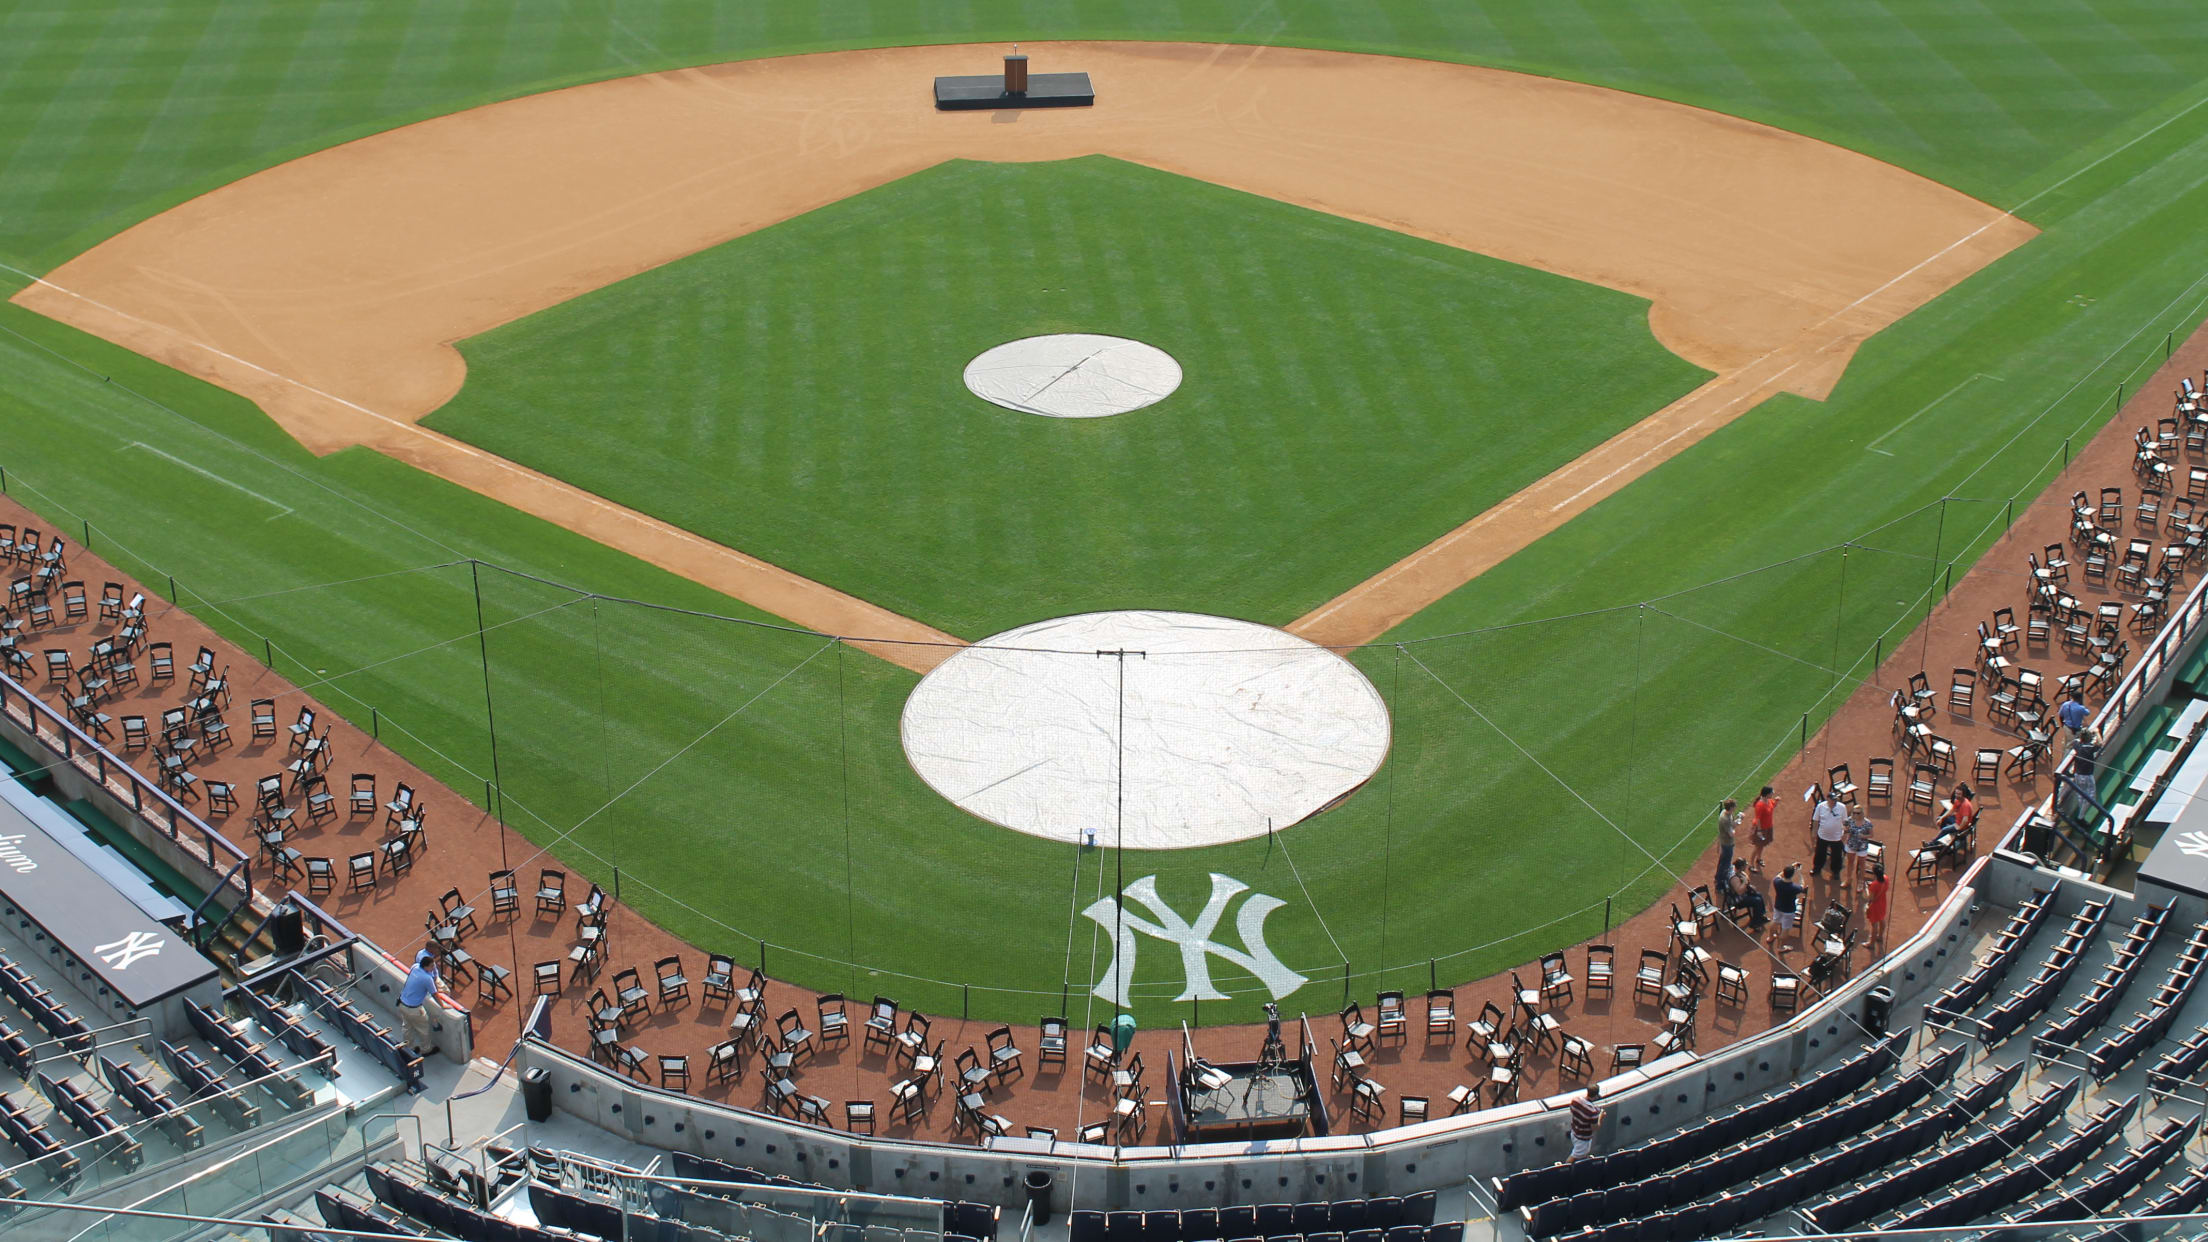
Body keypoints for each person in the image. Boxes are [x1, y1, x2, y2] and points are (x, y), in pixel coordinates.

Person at [398, 947, 440, 1055]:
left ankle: (408, 1048)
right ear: (426, 966)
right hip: (414, 1009)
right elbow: (435, 994)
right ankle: (426, 1049)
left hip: (402, 1004)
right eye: (431, 966)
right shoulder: (427, 978)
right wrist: (443, 1005)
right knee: (423, 1029)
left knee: (407, 1027)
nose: (433, 967)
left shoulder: (415, 967)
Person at [1811, 790, 1849, 882]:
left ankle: (1836, 871)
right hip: (1822, 836)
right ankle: (1817, 868)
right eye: (1832, 800)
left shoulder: (1842, 807)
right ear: (1828, 799)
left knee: (1836, 856)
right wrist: (1813, 834)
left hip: (1836, 838)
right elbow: (1816, 821)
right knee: (1820, 854)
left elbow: (1845, 822)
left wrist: (1845, 834)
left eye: (1835, 800)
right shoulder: (1820, 806)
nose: (1834, 802)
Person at [1766, 864, 1805, 953]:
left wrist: (1791, 866)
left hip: (1778, 906)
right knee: (1785, 929)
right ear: (1792, 875)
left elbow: (1779, 875)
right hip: (1789, 910)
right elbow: (1802, 885)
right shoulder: (1794, 888)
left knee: (1775, 921)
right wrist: (1799, 874)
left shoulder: (1777, 882)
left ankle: (1770, 937)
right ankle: (1781, 947)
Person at [1567, 1082, 1603, 1162]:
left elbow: (1573, 1112)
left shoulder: (1575, 1100)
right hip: (1583, 1139)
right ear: (1596, 1095)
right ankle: (1563, 1170)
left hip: (1574, 1132)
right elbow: (1595, 1127)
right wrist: (1601, 1116)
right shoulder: (1593, 1111)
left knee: (1581, 1155)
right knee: (1573, 1157)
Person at [1843, 804, 1875, 890]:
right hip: (1851, 845)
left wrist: (1863, 836)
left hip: (1862, 846)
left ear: (1862, 813)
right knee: (1850, 862)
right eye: (1854, 813)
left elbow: (1871, 835)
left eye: (1858, 813)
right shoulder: (1850, 820)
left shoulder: (1867, 823)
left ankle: (1861, 882)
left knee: (1862, 864)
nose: (1856, 815)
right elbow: (1846, 827)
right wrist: (1846, 831)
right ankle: (1848, 879)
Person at [1863, 863, 1891, 953]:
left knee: (1874, 924)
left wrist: (1867, 889)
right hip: (1883, 902)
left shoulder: (1874, 885)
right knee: (1882, 919)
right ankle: (1880, 936)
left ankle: (1871, 943)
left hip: (1875, 906)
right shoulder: (1886, 878)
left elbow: (1871, 898)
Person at [1749, 786, 1777, 873]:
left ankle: (1759, 859)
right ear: (1767, 794)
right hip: (1760, 829)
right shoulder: (1760, 805)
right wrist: (1760, 831)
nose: (1773, 794)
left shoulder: (1768, 801)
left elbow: (1772, 806)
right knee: (1757, 846)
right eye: (1772, 793)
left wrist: (1777, 801)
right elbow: (1758, 820)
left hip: (1768, 827)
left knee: (1762, 845)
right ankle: (1751, 865)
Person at [1715, 798, 1739, 892]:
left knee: (1722, 862)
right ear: (1731, 807)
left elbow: (1731, 825)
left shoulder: (1727, 813)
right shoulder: (1725, 819)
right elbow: (1731, 833)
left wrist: (1736, 821)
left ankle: (1717, 878)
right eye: (1735, 806)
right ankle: (1720, 885)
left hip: (1725, 843)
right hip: (1727, 844)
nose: (1736, 807)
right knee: (1725, 864)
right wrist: (1737, 825)